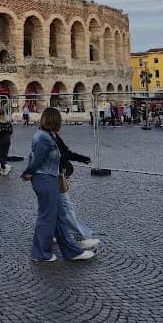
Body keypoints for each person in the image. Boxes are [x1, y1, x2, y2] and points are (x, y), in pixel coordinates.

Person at [20, 107, 95, 262]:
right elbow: (37, 160)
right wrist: (27, 172)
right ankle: (40, 253)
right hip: (45, 179)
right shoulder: (43, 138)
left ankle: (72, 251)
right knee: (46, 217)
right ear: (55, 120)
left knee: (60, 217)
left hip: (50, 178)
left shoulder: (49, 136)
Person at [51, 131, 101, 250]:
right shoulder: (45, 137)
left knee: (54, 209)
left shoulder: (54, 136)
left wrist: (81, 159)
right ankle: (82, 237)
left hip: (56, 175)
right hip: (52, 177)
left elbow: (65, 153)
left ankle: (53, 233)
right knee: (66, 207)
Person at [0, 106, 13, 176]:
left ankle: (6, 166)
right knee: (4, 156)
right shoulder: (8, 121)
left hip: (0, 139)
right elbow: (11, 131)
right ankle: (3, 169)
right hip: (7, 139)